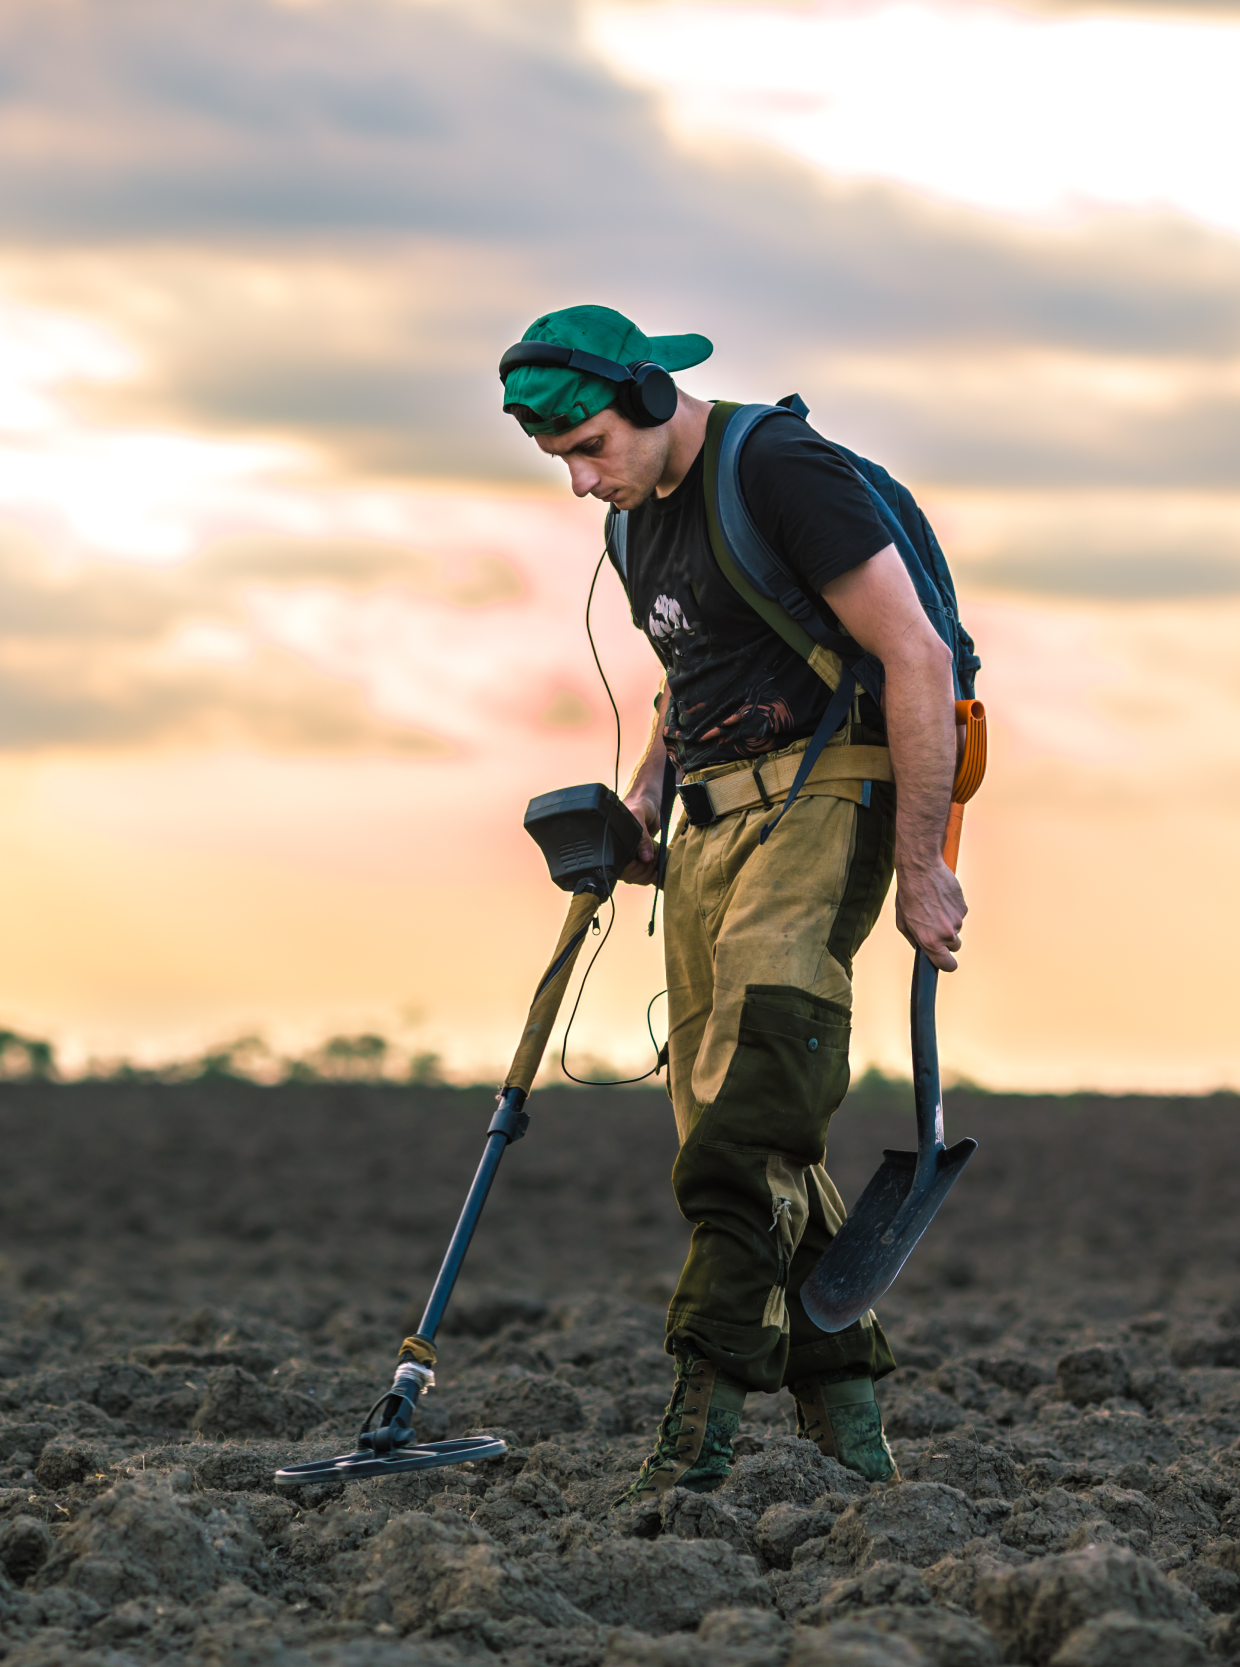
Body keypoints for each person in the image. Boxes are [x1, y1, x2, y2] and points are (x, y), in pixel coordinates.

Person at [500, 304, 967, 1500]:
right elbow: (689, 677)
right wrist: (643, 800)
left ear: (652, 403)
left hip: (826, 800)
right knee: (732, 1122)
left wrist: (921, 864)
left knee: (753, 1102)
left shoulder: (782, 472)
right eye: (560, 460)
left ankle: (694, 1423)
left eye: (591, 445)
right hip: (707, 827)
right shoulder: (631, 527)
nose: (581, 480)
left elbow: (912, 653)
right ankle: (851, 1435)